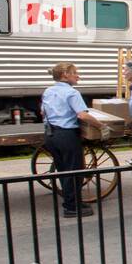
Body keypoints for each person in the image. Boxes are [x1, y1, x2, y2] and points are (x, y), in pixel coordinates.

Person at [40, 62, 95, 217]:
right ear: (65, 75)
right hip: (66, 134)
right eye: (75, 72)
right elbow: (82, 115)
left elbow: (43, 113)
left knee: (63, 170)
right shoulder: (72, 93)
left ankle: (72, 201)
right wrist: (101, 125)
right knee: (74, 171)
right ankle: (71, 207)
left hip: (51, 134)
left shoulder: (48, 91)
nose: (78, 76)